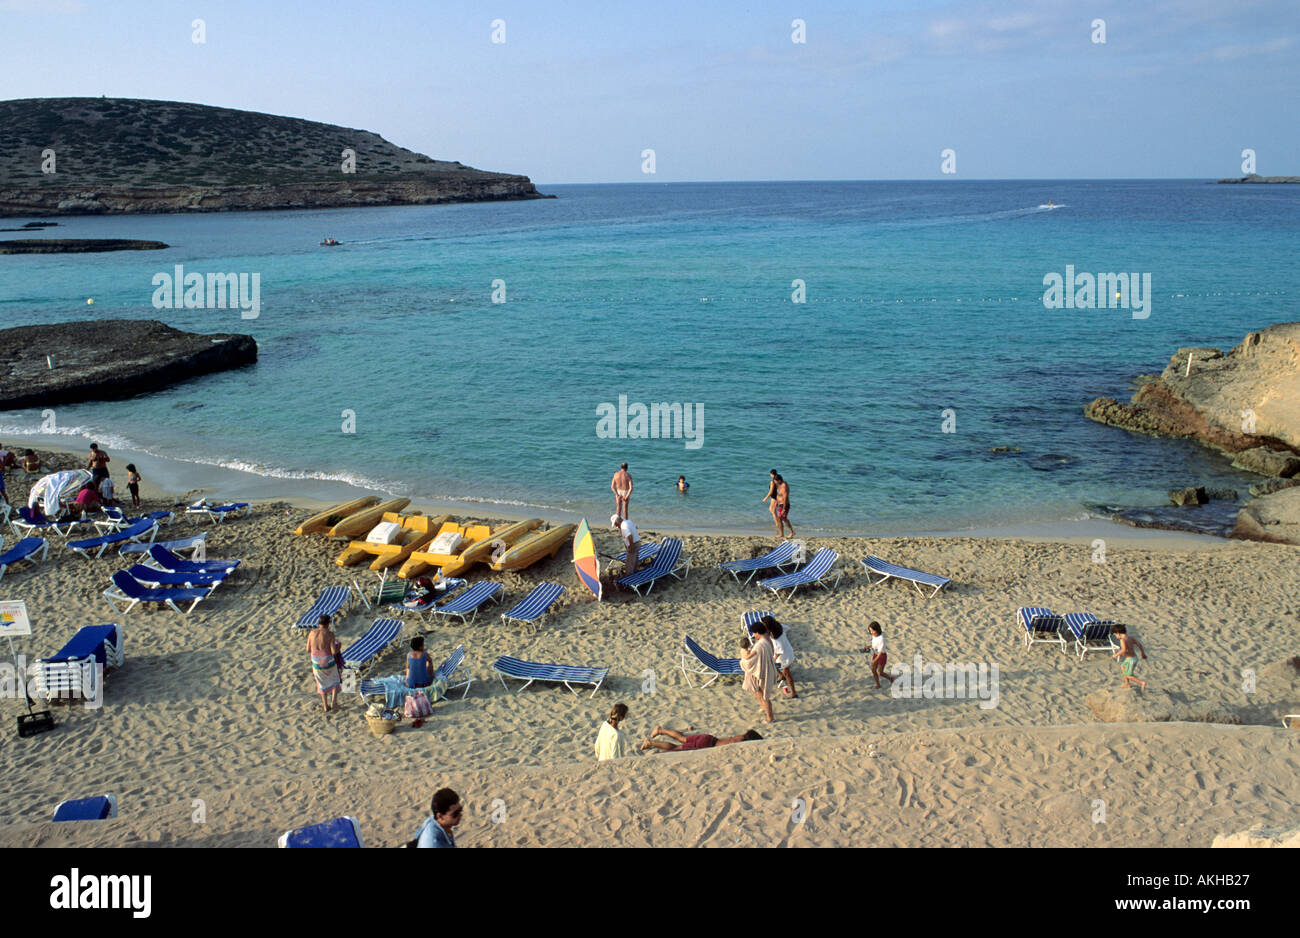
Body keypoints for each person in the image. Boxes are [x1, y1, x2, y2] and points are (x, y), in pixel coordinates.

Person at [740, 622, 778, 723]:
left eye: (754, 633)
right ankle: (764, 707)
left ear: (758, 632)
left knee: (763, 695)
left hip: (762, 672)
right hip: (766, 669)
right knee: (756, 691)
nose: (753, 635)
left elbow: (750, 661)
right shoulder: (768, 640)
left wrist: (742, 661)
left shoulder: (760, 645)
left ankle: (770, 718)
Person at [306, 614, 342, 712]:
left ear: (319, 623)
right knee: (334, 680)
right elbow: (334, 651)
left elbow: (308, 649)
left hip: (316, 662)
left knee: (321, 683)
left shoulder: (312, 633)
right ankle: (334, 703)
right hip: (328, 661)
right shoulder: (330, 634)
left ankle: (325, 706)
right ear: (328, 623)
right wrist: (339, 646)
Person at [760, 615, 798, 698]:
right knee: (773, 664)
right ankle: (781, 675)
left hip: (785, 657)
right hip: (788, 650)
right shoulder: (779, 627)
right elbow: (787, 627)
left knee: (787, 674)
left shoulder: (775, 638)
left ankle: (793, 693)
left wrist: (773, 659)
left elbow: (779, 650)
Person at [641, 727, 762, 752]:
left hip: (709, 738)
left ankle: (661, 730)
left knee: (682, 738)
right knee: (676, 748)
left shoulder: (740, 736)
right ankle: (651, 743)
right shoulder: (740, 742)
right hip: (706, 745)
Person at [1112, 625, 1148, 691]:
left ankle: (1142, 683)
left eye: (1115, 635)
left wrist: (1116, 655)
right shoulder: (1131, 638)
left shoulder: (1122, 640)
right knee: (1123, 667)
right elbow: (1139, 645)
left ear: (1118, 633)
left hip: (1131, 660)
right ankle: (1127, 683)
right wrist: (1143, 653)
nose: (1116, 636)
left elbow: (1124, 649)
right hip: (1133, 658)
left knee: (1129, 675)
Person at [862, 621, 894, 689]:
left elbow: (880, 652)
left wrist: (874, 661)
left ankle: (890, 678)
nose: (871, 632)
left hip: (881, 656)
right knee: (873, 670)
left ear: (877, 629)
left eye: (873, 630)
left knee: (880, 672)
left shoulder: (881, 639)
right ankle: (878, 684)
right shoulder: (874, 636)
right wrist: (869, 646)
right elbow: (875, 645)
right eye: (870, 631)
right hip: (875, 654)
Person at [775, 474, 795, 539]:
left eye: (776, 481)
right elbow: (778, 495)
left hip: (784, 505)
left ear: (779, 480)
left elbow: (785, 498)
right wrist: (776, 502)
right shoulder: (779, 485)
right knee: (779, 518)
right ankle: (781, 534)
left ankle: (792, 532)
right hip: (780, 504)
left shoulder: (784, 486)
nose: (775, 482)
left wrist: (784, 509)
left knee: (784, 518)